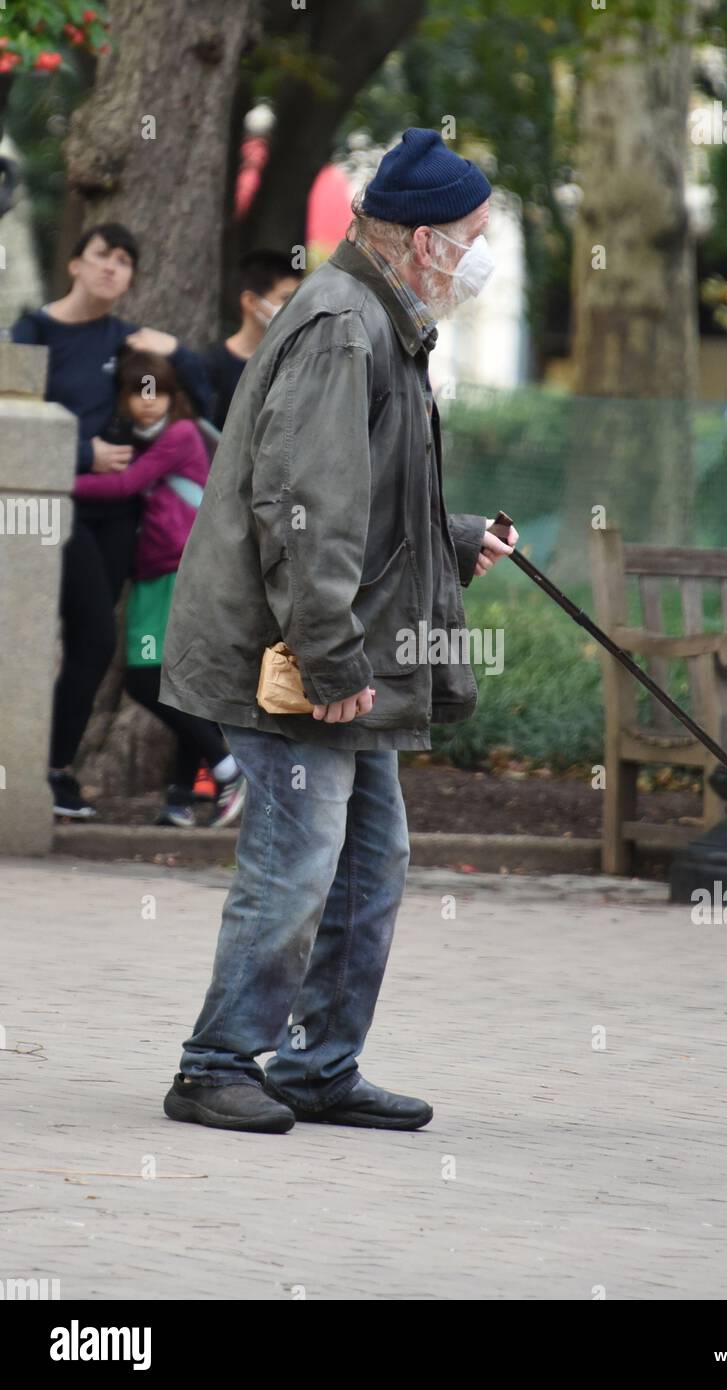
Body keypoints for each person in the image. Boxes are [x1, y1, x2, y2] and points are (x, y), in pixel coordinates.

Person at [158, 127, 518, 1135]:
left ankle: (318, 1065)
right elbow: (300, 507)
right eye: (471, 234)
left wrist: (448, 539)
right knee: (297, 862)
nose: (478, 254)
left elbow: (360, 497)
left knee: (366, 867)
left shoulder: (377, 315)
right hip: (297, 658)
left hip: (336, 650)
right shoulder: (341, 323)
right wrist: (328, 655)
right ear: (414, 237)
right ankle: (215, 1061)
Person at [10, 223, 211, 818]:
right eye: (102, 255)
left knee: (93, 643)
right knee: (74, 635)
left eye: (125, 262)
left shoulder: (131, 345)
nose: (111, 269)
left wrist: (179, 352)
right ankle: (32, 772)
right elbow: (12, 425)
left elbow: (193, 403)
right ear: (75, 262)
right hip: (51, 510)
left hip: (119, 518)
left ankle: (54, 773)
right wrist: (83, 454)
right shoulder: (33, 332)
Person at [71, 350, 245, 828]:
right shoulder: (143, 438)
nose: (149, 403)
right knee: (182, 683)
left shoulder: (180, 435)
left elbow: (128, 485)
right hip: (156, 574)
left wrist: (61, 480)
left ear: (174, 395)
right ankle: (180, 797)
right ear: (124, 399)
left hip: (177, 573)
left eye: (159, 392)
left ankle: (227, 766)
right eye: (138, 393)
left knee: (146, 680)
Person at [203, 249, 302, 431]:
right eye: (286, 298)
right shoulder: (212, 365)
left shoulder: (298, 361)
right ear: (250, 301)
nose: (296, 307)